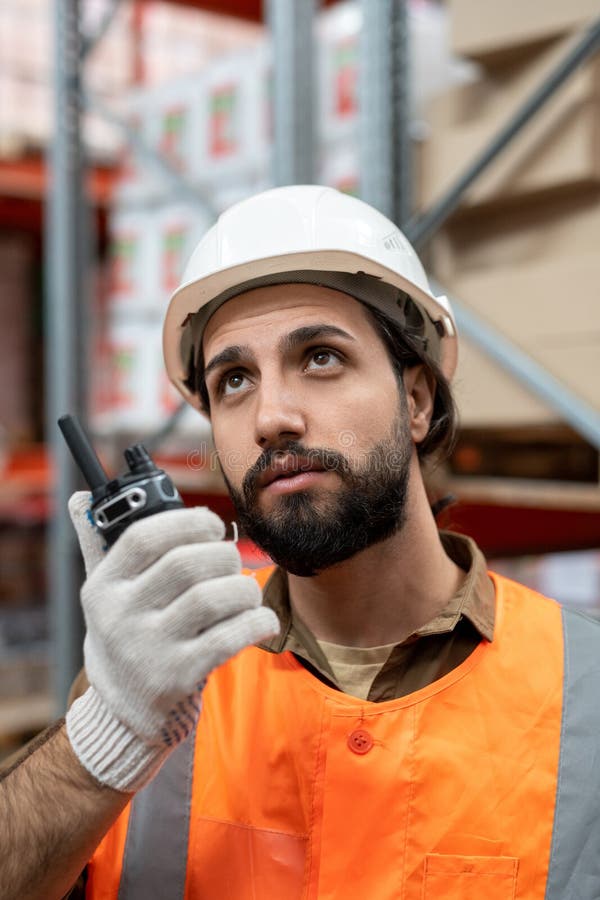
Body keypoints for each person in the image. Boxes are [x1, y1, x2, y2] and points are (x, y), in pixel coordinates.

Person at [1, 185, 599, 900]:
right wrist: (108, 735)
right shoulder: (158, 672)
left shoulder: (586, 687)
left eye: (319, 358)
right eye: (234, 380)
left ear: (416, 401)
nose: (271, 418)